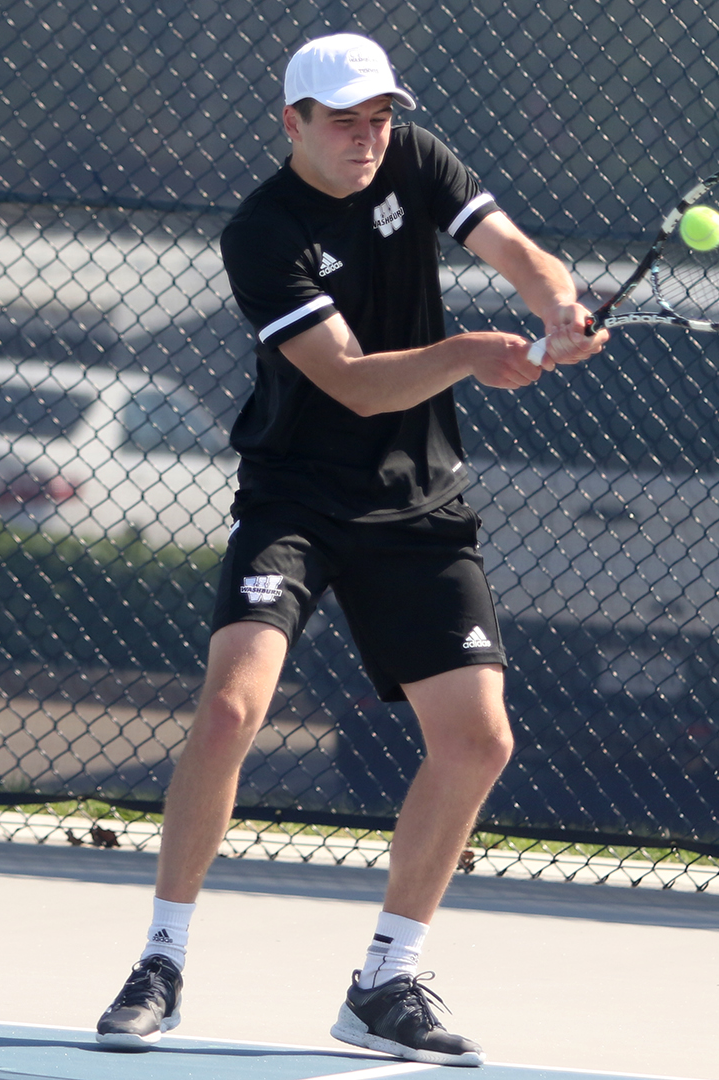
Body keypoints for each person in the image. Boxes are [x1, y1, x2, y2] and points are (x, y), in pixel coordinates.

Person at [94, 32, 607, 1067]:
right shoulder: (262, 232)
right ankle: (161, 959)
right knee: (230, 707)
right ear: (292, 124)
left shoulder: (414, 160)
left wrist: (557, 305)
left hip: (419, 505)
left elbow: (517, 252)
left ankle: (385, 980)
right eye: (344, 121)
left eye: (379, 117)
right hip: (296, 498)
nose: (369, 137)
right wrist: (471, 352)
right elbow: (355, 382)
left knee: (479, 741)